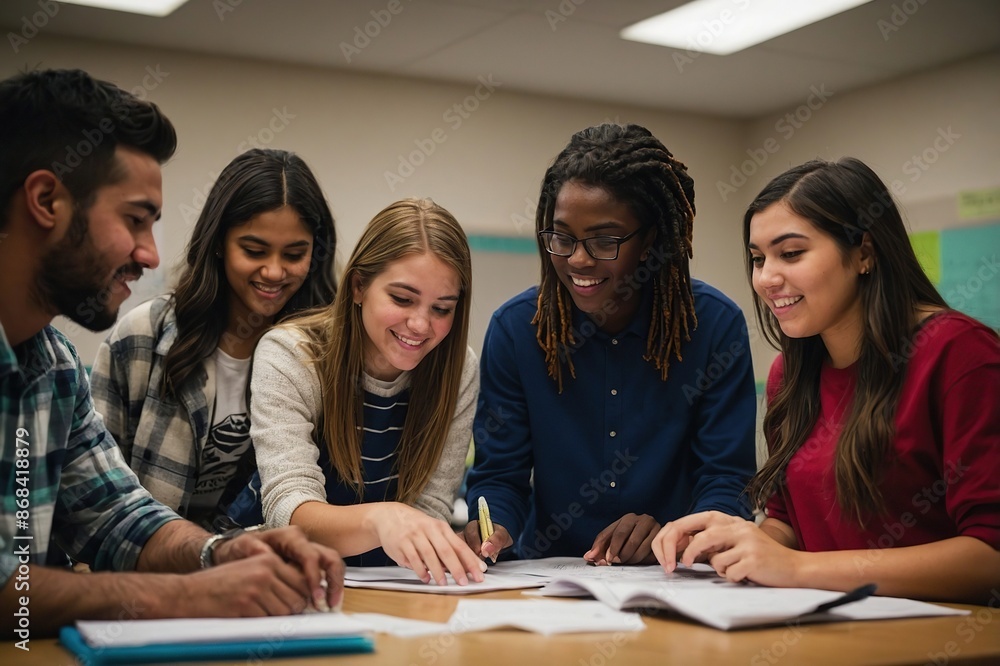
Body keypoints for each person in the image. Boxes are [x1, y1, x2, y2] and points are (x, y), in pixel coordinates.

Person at [0, 69, 342, 638]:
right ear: (44, 200)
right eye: (135, 219)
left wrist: (221, 553)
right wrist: (190, 594)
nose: (151, 255)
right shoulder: (140, 337)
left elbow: (117, 515)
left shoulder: (53, 367)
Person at [651, 157, 1000, 604]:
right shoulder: (790, 374)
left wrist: (798, 568)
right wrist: (731, 541)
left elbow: (989, 555)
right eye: (758, 259)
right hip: (830, 627)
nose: (766, 278)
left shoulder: (958, 352)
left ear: (864, 253)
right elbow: (789, 524)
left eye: (791, 253)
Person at [463, 123, 757, 564]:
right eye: (561, 236)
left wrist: (677, 534)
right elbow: (500, 475)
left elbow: (726, 480)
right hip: (548, 582)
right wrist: (493, 527)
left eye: (604, 240)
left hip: (677, 581)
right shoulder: (516, 329)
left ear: (650, 239)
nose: (578, 259)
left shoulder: (713, 326)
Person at [230, 198, 486, 586]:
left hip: (382, 585)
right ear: (358, 286)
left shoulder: (458, 370)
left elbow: (429, 511)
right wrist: (383, 518)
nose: (420, 325)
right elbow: (290, 510)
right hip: (271, 577)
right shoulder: (291, 354)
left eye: (442, 308)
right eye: (402, 299)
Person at [90, 148, 337, 530]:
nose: (274, 271)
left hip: (264, 570)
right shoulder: (142, 336)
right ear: (219, 242)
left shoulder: (324, 352)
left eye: (294, 254)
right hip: (149, 566)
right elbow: (94, 489)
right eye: (253, 251)